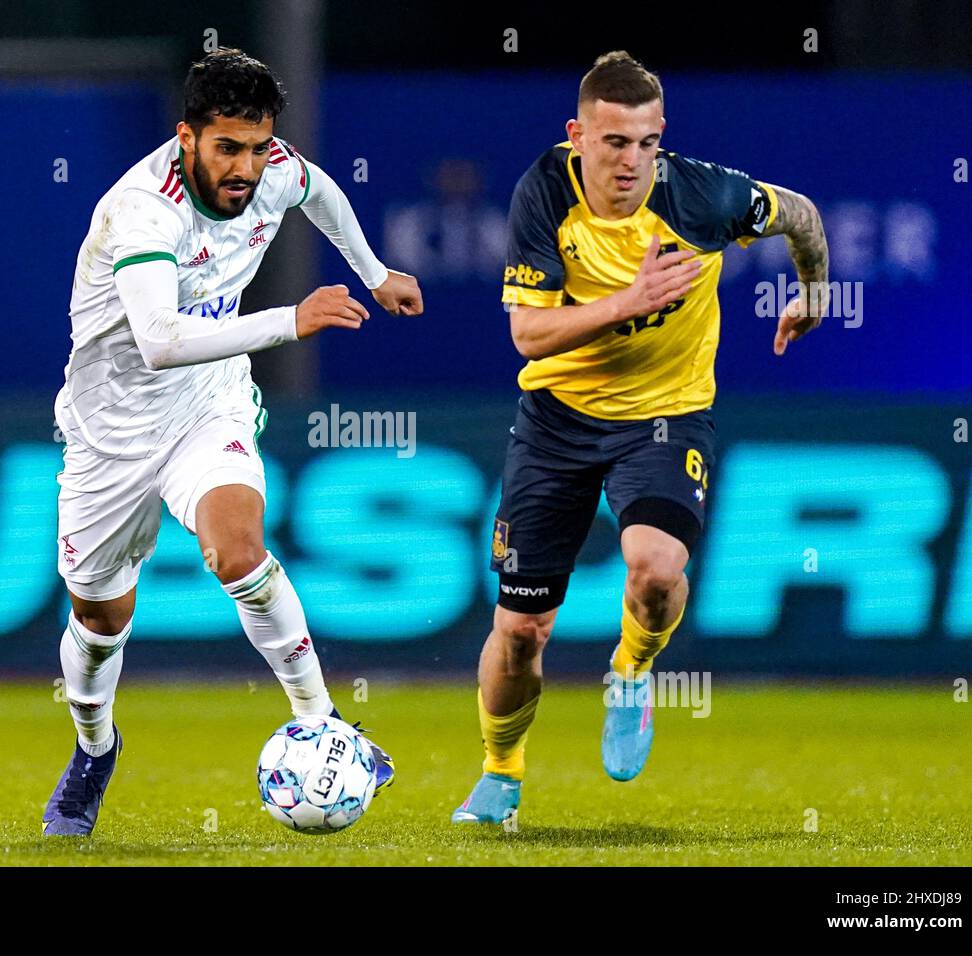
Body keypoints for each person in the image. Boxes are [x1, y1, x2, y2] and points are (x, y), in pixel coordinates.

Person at [44, 48, 422, 835]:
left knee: (238, 552)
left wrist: (376, 271)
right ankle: (93, 748)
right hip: (109, 433)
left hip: (206, 408)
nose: (248, 166)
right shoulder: (142, 211)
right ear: (187, 137)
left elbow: (320, 191)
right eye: (228, 148)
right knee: (99, 623)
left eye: (257, 146)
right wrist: (294, 318)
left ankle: (323, 722)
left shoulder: (274, 167)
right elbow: (157, 338)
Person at [453, 51, 827, 824]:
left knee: (655, 573)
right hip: (556, 421)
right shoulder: (544, 191)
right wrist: (627, 301)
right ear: (577, 135)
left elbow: (804, 216)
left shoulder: (704, 195)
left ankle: (630, 670)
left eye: (646, 142)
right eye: (614, 142)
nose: (631, 160)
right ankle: (500, 772)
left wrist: (813, 292)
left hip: (665, 417)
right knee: (521, 630)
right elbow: (527, 333)